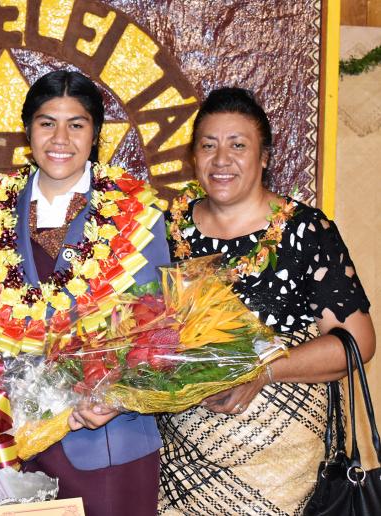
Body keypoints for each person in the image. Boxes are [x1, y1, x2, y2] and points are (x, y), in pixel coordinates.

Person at [158, 87, 375, 515]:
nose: (222, 160)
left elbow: (357, 343)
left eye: (238, 145)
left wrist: (263, 371)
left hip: (283, 469)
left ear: (265, 157)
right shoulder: (165, 232)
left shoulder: (306, 231)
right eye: (209, 145)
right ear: (194, 157)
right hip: (182, 469)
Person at [0, 70, 171, 515]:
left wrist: (114, 400)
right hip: (14, 441)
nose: (61, 138)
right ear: (27, 130)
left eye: (76, 124)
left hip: (104, 439)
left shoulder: (137, 212)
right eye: (46, 123)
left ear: (95, 133)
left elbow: (160, 325)